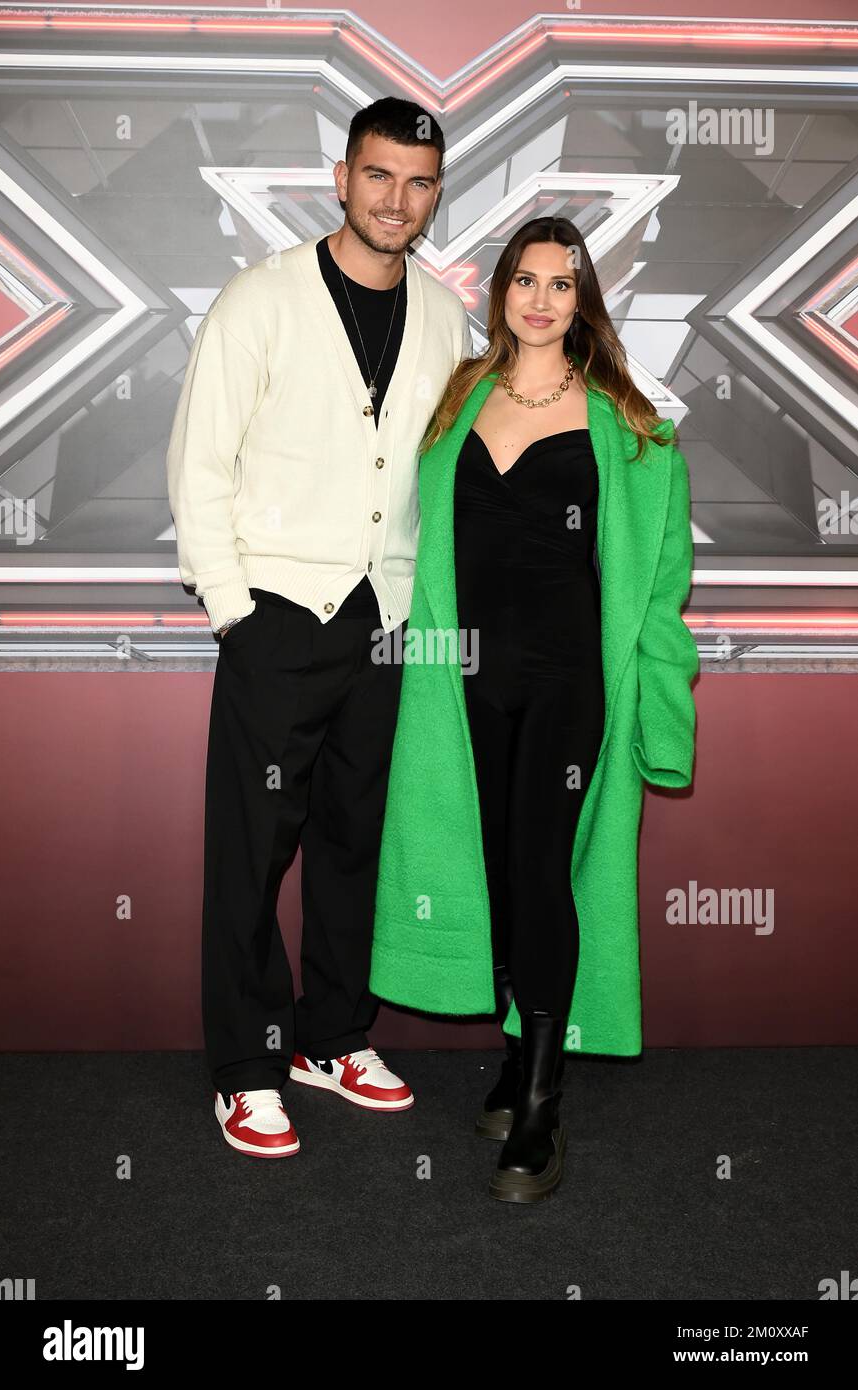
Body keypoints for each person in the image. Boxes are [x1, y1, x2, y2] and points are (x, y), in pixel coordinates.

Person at [369, 216, 699, 1203]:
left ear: (582, 299)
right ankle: (517, 1060)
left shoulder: (626, 422)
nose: (541, 298)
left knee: (546, 875)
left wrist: (662, 710)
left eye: (562, 281)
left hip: (567, 691)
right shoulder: (458, 398)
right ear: (500, 291)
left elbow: (660, 583)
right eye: (524, 279)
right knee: (498, 875)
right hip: (461, 682)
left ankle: (544, 1102)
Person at [166, 97, 472, 1158]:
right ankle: (247, 1064)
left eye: (419, 181)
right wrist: (234, 610)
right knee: (251, 851)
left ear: (438, 193)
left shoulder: (444, 318)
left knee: (355, 843)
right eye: (379, 175)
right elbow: (200, 463)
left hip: (385, 625)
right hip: (277, 621)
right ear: (341, 178)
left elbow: (442, 477)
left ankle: (331, 1036)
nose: (398, 199)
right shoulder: (258, 301)